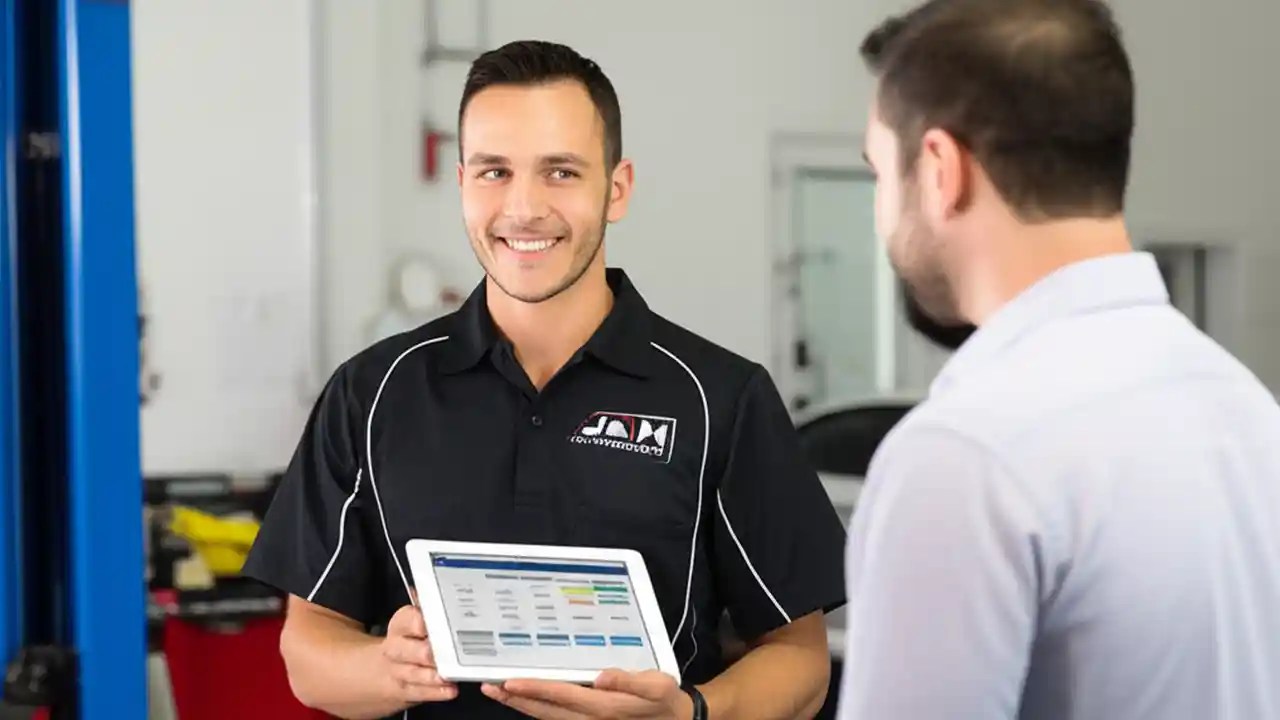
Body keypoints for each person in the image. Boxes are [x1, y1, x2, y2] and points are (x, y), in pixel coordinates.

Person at [243, 39, 846, 720]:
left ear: (616, 190)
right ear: (463, 183)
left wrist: (688, 713)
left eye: (560, 171)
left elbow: (800, 660)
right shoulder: (373, 392)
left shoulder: (720, 398)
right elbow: (308, 652)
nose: (523, 208)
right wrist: (386, 667)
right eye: (495, 171)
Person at [839, 1, 1280, 718]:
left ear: (942, 171)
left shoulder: (965, 455)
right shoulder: (1250, 411)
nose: (884, 212)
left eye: (880, 175)